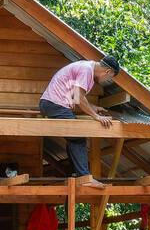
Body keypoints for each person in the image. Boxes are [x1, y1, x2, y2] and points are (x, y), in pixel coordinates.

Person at [38, 56, 121, 187]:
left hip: (52, 104)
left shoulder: (87, 68)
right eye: (109, 78)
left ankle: (76, 174)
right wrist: (96, 116)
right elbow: (78, 97)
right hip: (54, 104)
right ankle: (84, 177)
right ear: (108, 71)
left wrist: (94, 108)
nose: (107, 80)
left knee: (74, 138)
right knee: (78, 137)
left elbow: (76, 97)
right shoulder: (87, 70)